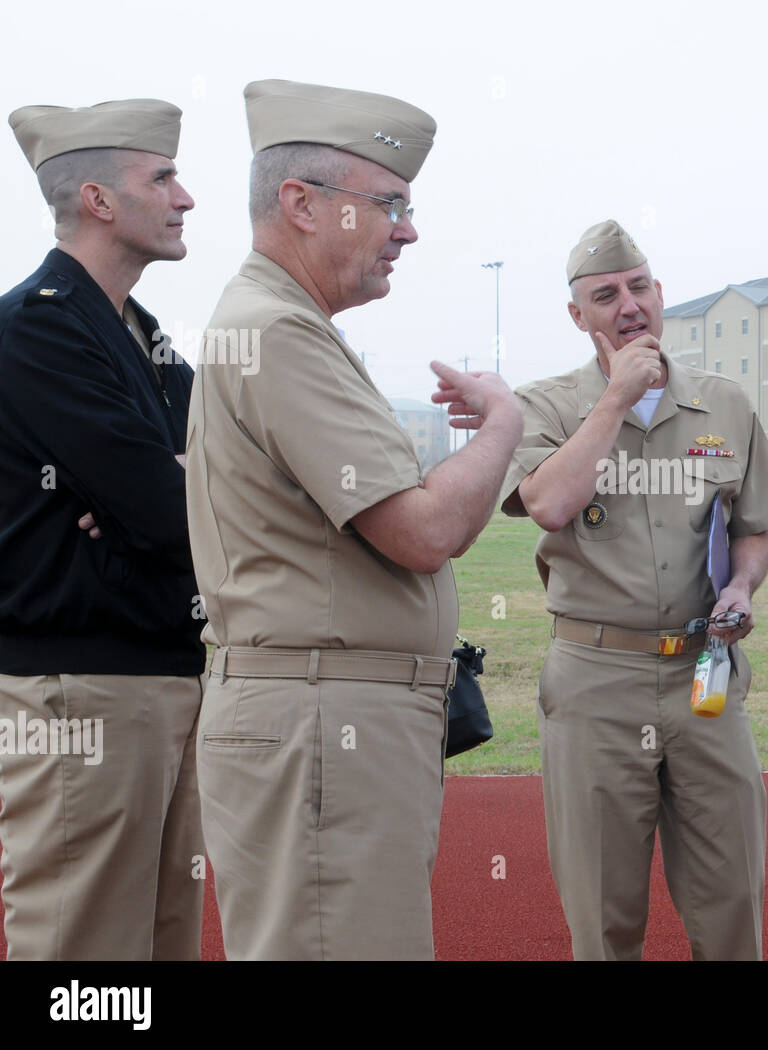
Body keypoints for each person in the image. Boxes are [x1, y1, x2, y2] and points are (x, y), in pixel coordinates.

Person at [185, 79, 522, 960]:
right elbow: (421, 531)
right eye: (389, 205)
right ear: (302, 204)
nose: (407, 229)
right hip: (323, 721)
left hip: (325, 716)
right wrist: (504, 428)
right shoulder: (279, 330)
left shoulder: (278, 322)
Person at [500, 220, 768, 960]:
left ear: (661, 295)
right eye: (605, 295)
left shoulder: (724, 404)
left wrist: (744, 586)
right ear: (578, 316)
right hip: (597, 679)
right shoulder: (546, 407)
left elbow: (752, 528)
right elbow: (549, 504)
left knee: (733, 908)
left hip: (706, 677)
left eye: (639, 288)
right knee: (605, 918)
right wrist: (615, 398)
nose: (628, 305)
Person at [0, 99, 204, 959]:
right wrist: (174, 490)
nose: (186, 196)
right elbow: (169, 514)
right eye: (162, 177)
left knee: (161, 949)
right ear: (98, 199)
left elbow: (229, 485)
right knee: (82, 958)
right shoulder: (41, 324)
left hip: (161, 676)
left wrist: (175, 489)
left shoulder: (142, 336)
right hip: (80, 686)